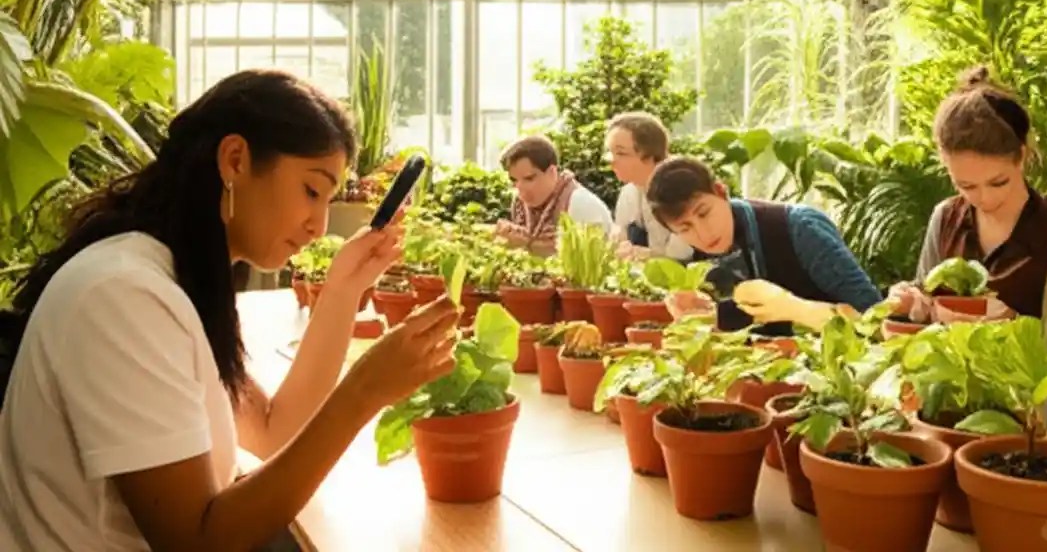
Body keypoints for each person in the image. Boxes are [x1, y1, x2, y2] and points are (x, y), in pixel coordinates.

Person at [0, 70, 459, 551]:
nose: (319, 226)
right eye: (311, 191)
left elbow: (272, 428)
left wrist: (345, 287)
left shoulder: (175, 281)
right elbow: (197, 541)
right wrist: (365, 390)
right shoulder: (125, 297)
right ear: (235, 160)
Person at [889, 67, 1047, 348]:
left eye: (998, 182)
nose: (985, 199)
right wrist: (909, 302)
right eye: (966, 186)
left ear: (1022, 156)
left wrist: (1011, 326)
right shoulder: (946, 218)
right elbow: (922, 317)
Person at [646, 156, 883, 335]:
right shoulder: (697, 258)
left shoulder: (799, 228)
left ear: (721, 191)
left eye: (704, 213)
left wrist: (797, 309)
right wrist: (704, 317)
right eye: (685, 228)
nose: (703, 233)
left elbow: (874, 317)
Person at [494, 135, 613, 256]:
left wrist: (527, 244)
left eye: (529, 178)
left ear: (552, 172)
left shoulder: (581, 204)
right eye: (514, 180)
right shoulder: (520, 204)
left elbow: (586, 262)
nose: (520, 188)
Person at [604, 112, 694, 261]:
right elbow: (620, 241)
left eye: (621, 153)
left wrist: (646, 256)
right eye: (610, 153)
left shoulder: (682, 191)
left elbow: (680, 258)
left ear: (650, 156)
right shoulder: (629, 192)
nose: (611, 161)